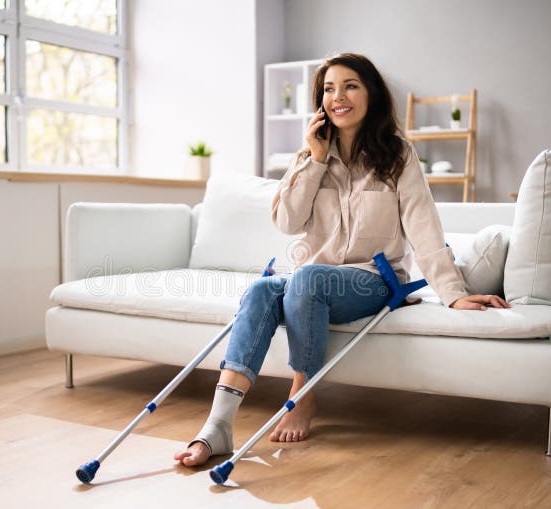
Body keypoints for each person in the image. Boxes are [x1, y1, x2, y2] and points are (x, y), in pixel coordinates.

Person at [174, 52, 509, 467]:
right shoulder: (309, 156)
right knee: (262, 289)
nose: (339, 97)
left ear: (371, 95)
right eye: (329, 89)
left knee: (308, 279)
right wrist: (314, 161)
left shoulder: (398, 155)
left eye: (350, 85)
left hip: (373, 279)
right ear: (320, 103)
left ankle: (302, 396)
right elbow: (286, 220)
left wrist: (453, 293)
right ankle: (218, 426)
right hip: (311, 280)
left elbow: (424, 228)